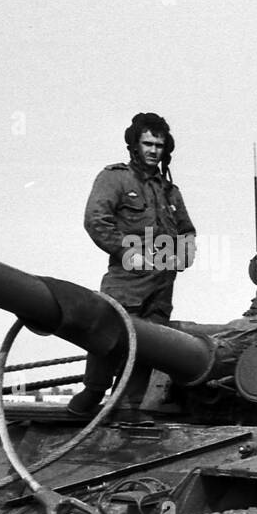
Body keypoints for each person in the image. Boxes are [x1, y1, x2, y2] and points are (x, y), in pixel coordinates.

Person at [70, 111, 195, 416]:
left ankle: (127, 406)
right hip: (127, 278)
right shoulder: (115, 178)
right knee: (106, 335)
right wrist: (128, 253)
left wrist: (185, 253)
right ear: (134, 145)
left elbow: (187, 229)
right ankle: (92, 393)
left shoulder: (170, 191)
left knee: (149, 347)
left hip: (162, 284)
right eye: (148, 143)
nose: (154, 151)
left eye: (159, 145)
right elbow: (96, 220)